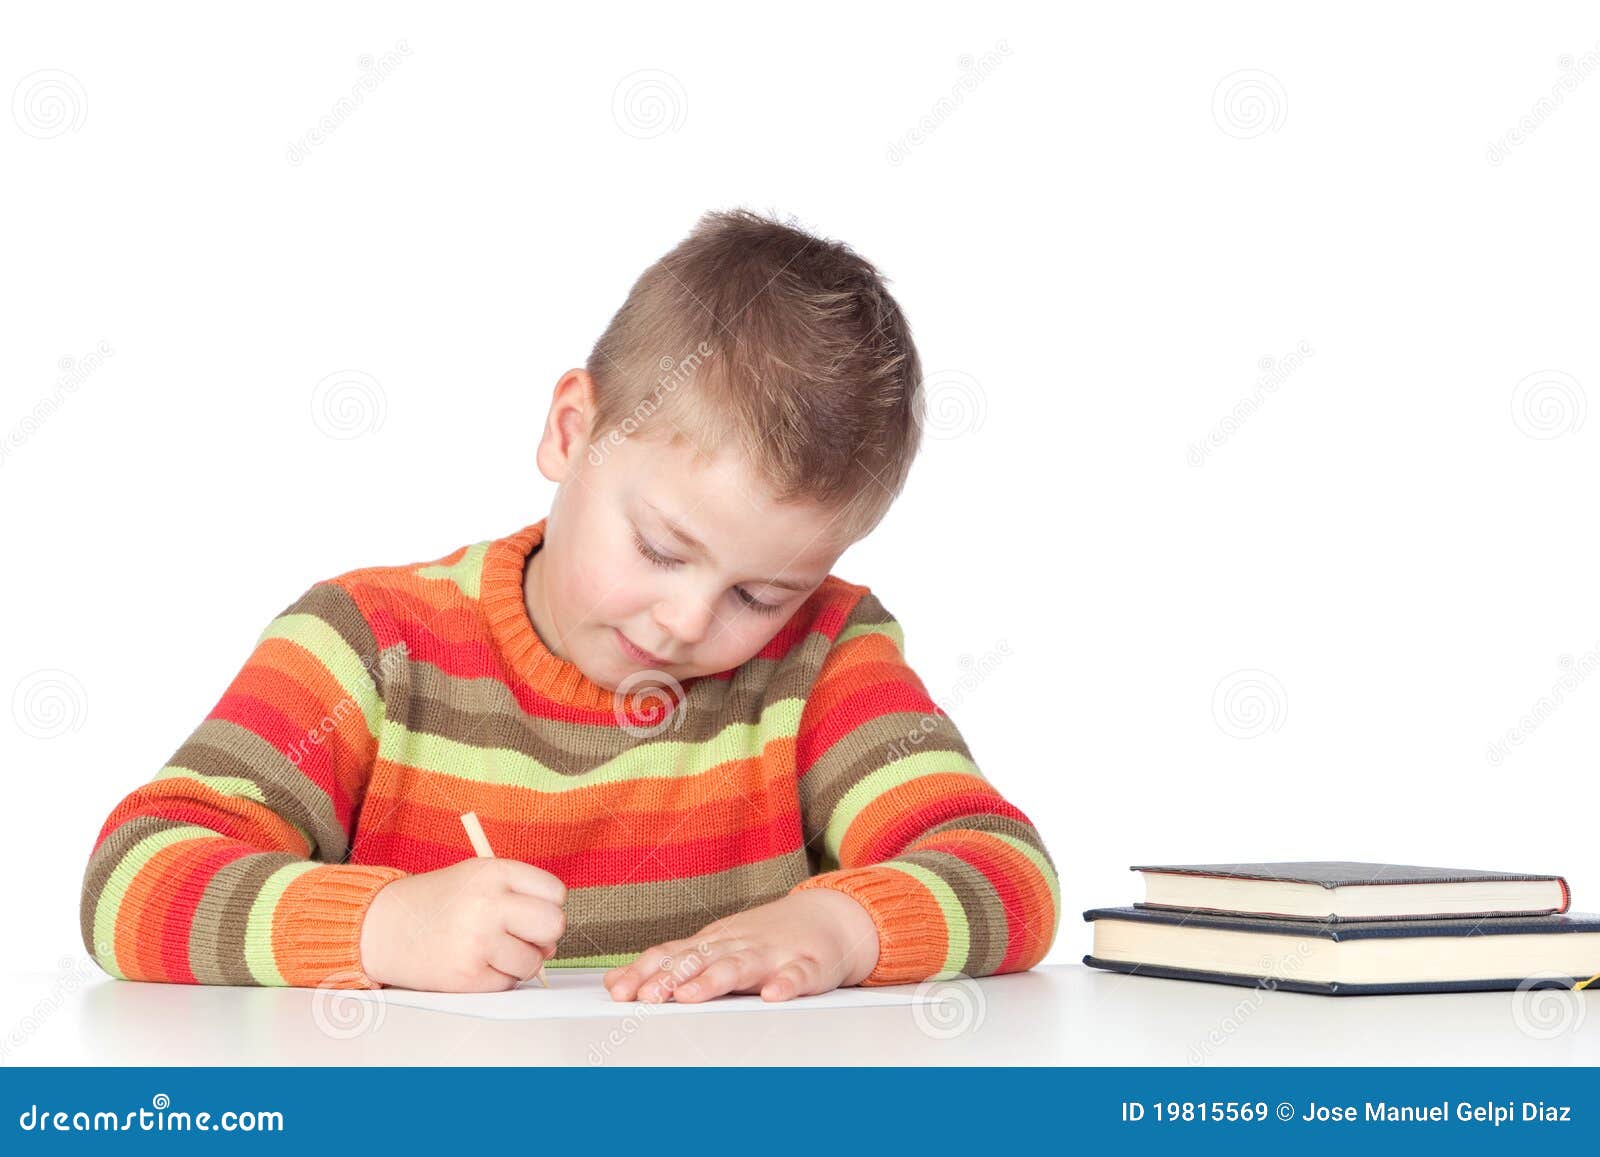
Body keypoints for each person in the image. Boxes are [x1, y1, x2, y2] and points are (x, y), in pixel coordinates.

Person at [79, 208, 1061, 1003]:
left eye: (758, 594)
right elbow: (133, 876)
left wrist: (839, 928)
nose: (686, 622)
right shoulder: (370, 645)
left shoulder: (824, 658)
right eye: (661, 548)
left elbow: (1004, 870)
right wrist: (382, 925)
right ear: (570, 431)